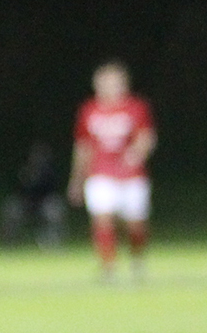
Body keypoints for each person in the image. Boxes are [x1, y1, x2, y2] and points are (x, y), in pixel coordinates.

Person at [66, 61, 155, 280]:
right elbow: (83, 146)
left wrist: (136, 154)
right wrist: (77, 179)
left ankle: (137, 258)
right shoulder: (89, 110)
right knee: (102, 218)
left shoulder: (136, 107)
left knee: (135, 224)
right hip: (100, 172)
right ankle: (108, 266)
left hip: (131, 174)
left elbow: (147, 137)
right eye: (105, 82)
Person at [0, 141, 65, 247]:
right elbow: (16, 189)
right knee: (11, 207)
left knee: (55, 208)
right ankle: (9, 242)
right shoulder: (24, 170)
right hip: (25, 203)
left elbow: (53, 190)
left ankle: (53, 240)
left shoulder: (50, 172)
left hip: (43, 203)